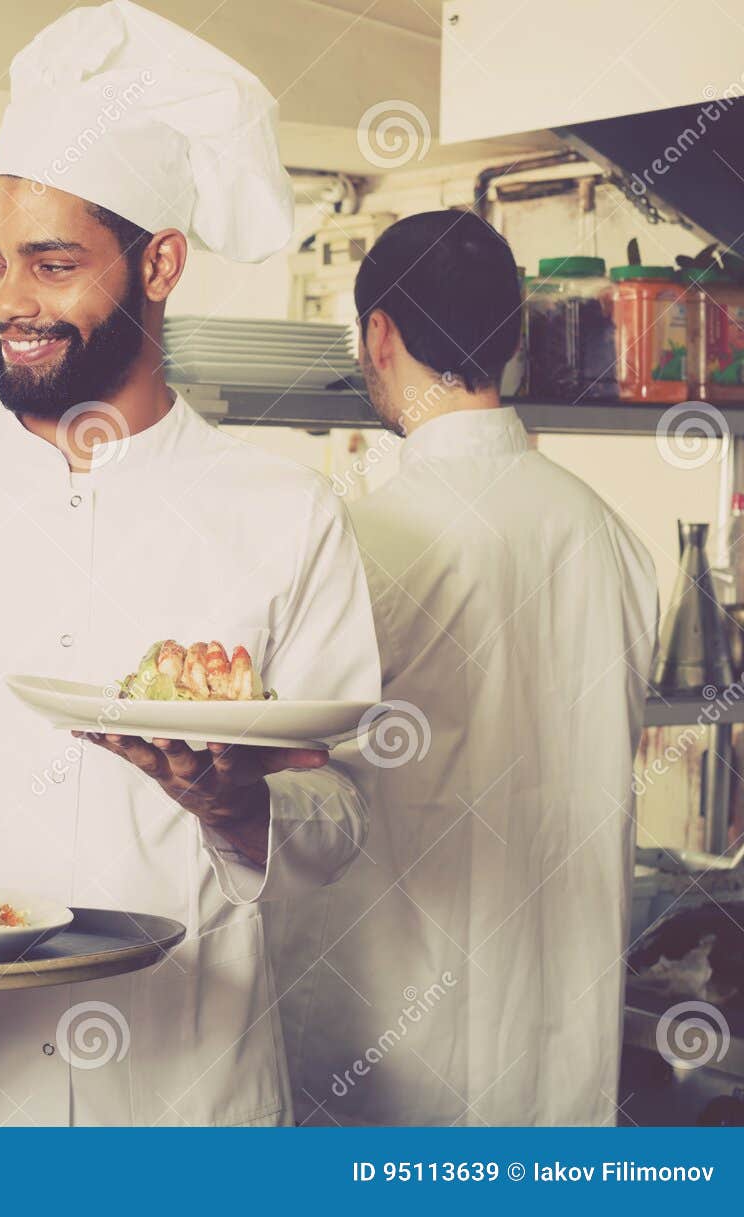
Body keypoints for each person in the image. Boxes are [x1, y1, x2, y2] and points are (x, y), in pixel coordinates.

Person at [0, 0, 381, 1125]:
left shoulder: (283, 511)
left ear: (160, 262)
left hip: (188, 1097)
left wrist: (237, 804)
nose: (9, 302)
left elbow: (345, 816)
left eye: (52, 263)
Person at [271, 210, 659, 1126]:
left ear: (380, 336)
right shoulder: (610, 537)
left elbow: (298, 800)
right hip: (561, 1060)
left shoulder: (360, 544)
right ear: (513, 339)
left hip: (390, 1066)